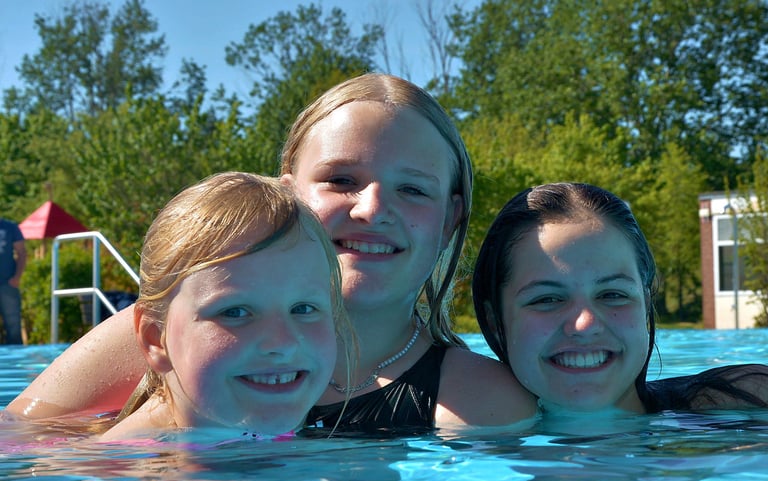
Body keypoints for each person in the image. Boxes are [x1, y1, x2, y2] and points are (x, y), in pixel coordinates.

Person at [7, 74, 537, 432]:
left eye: (413, 189)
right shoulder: (168, 333)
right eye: (341, 179)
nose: (373, 209)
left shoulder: (480, 404)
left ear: (449, 220)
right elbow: (19, 444)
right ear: (288, 197)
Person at [472, 182, 768, 415]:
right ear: (495, 322)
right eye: (547, 299)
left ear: (646, 303)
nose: (586, 324)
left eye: (612, 294)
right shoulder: (464, 447)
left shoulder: (752, 403)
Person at [101, 172, 347, 440]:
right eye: (235, 312)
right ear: (154, 338)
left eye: (303, 309)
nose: (282, 343)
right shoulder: (125, 463)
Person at [0, 216, 26, 345]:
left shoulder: (10, 227)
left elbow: (21, 253)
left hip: (8, 284)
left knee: (13, 326)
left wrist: (17, 277)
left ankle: (15, 357)